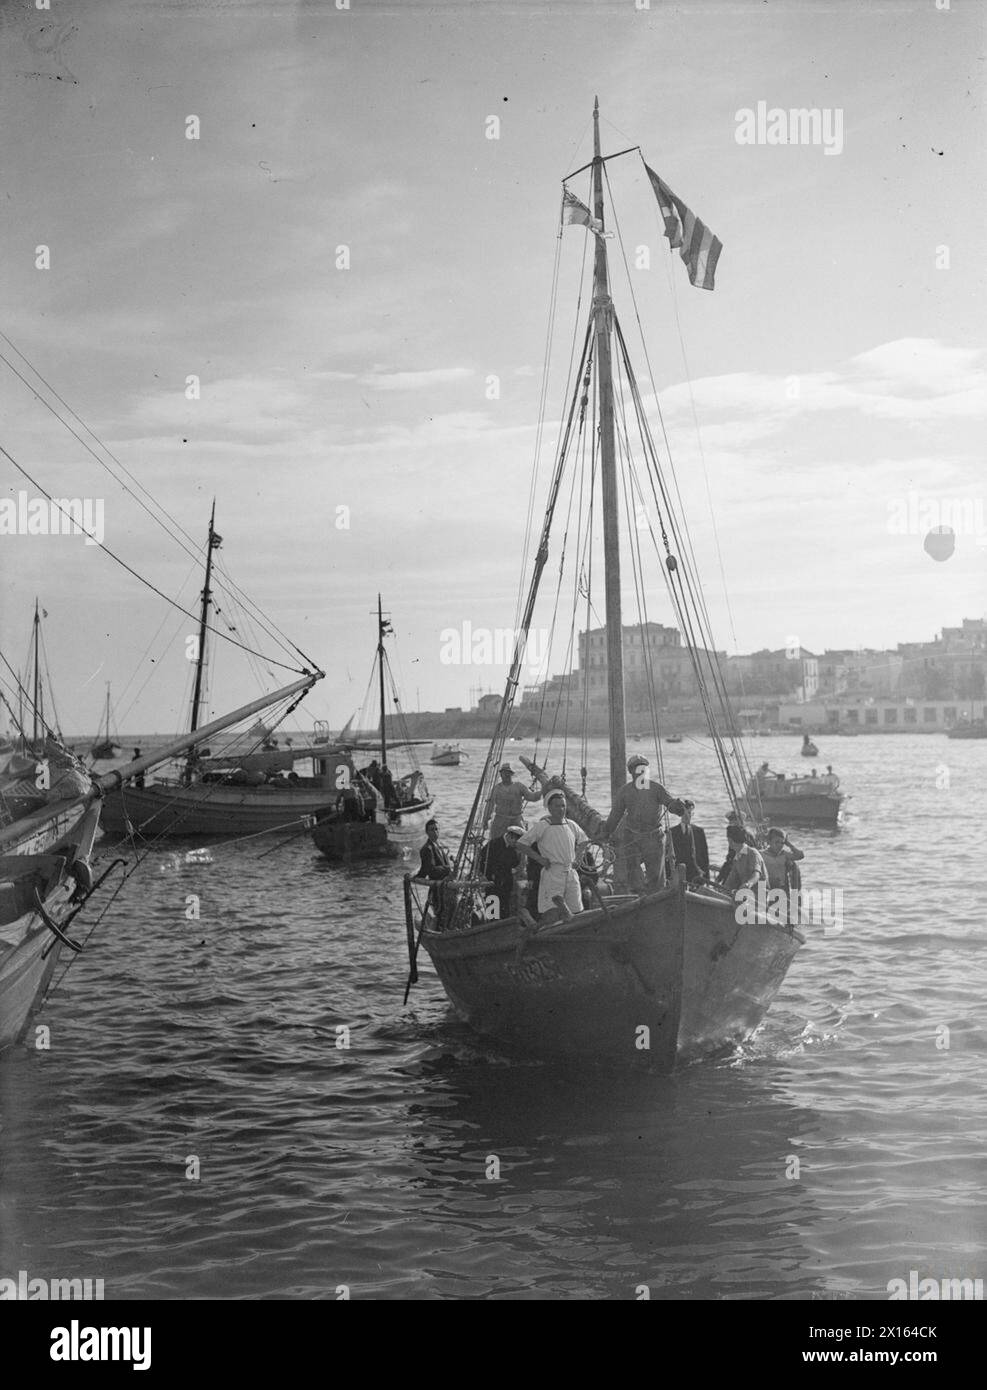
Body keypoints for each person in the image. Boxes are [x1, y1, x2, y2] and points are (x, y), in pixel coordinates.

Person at [602, 755, 686, 893]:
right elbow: (615, 816)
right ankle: (638, 898)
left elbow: (669, 803)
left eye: (643, 768)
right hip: (632, 839)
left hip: (653, 838)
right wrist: (605, 832)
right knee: (634, 876)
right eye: (637, 769)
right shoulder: (625, 791)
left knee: (656, 878)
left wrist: (678, 807)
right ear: (631, 772)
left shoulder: (657, 788)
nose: (640, 771)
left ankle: (656, 899)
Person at [516, 790, 587, 919]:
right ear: (549, 808)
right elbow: (521, 844)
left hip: (570, 872)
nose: (561, 809)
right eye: (557, 806)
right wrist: (540, 859)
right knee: (553, 911)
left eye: (563, 805)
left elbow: (583, 840)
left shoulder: (571, 825)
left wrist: (578, 857)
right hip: (553, 872)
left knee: (576, 909)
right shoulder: (543, 826)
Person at [482, 763, 542, 902]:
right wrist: (486, 820)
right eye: (504, 772)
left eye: (509, 772)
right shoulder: (496, 789)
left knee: (522, 844)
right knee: (496, 845)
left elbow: (532, 797)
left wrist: (543, 790)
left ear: (511, 774)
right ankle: (494, 868)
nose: (506, 775)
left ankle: (521, 869)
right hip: (500, 820)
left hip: (515, 819)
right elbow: (490, 805)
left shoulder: (519, 786)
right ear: (501, 774)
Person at [414, 819, 453, 912]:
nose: (435, 832)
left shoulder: (439, 846)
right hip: (437, 891)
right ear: (427, 832)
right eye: (432, 830)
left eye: (436, 829)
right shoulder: (427, 849)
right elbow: (430, 869)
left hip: (446, 888)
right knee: (441, 914)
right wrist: (448, 869)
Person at [670, 800, 710, 886]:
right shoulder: (672, 832)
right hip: (679, 876)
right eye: (687, 813)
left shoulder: (699, 831)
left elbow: (705, 856)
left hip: (696, 876)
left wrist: (707, 879)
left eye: (691, 813)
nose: (689, 816)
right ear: (681, 814)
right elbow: (669, 857)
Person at [720, 823, 767, 893]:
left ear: (730, 841)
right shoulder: (737, 857)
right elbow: (731, 880)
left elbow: (756, 874)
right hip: (747, 895)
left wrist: (748, 884)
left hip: (761, 895)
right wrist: (722, 890)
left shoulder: (752, 853)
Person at [715, 811, 756, 886]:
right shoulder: (732, 835)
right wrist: (719, 877)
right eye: (731, 821)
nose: (732, 823)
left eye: (734, 821)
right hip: (733, 873)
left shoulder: (747, 837)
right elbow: (730, 859)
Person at [761, 827, 805, 891]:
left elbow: (800, 855)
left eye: (782, 843)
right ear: (769, 841)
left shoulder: (784, 854)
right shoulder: (762, 854)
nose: (779, 845)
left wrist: (788, 844)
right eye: (776, 842)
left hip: (782, 888)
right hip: (768, 888)